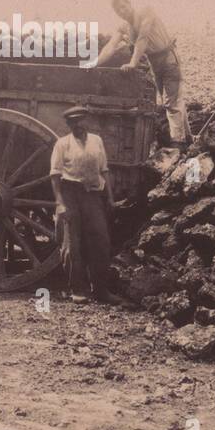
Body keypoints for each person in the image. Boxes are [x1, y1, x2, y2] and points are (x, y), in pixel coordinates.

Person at [49, 106, 131, 307]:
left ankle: (101, 291)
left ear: (87, 121)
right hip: (71, 194)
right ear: (69, 125)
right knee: (72, 244)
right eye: (73, 122)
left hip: (93, 195)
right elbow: (55, 175)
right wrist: (59, 202)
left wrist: (110, 199)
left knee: (100, 241)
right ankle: (78, 290)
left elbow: (104, 171)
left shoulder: (97, 141)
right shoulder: (62, 144)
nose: (78, 125)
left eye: (81, 120)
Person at [95, 0, 189, 148]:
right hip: (154, 62)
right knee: (173, 100)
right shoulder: (124, 27)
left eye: (123, 7)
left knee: (171, 101)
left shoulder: (146, 12)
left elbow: (143, 38)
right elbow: (111, 46)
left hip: (168, 58)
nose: (121, 11)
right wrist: (95, 63)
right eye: (117, 10)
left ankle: (178, 143)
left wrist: (133, 63)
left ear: (130, 3)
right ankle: (188, 140)